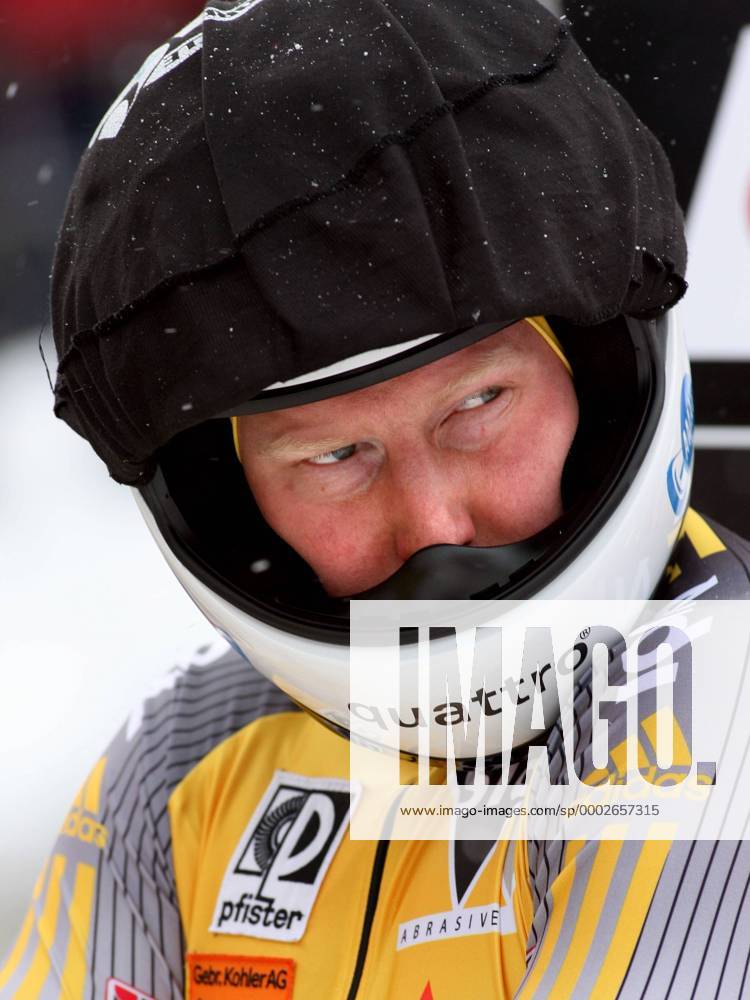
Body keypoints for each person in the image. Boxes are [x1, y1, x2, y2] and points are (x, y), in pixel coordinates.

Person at [3, 0, 750, 997]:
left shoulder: (722, 711)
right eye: (335, 456)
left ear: (600, 375)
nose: (434, 521)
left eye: (479, 404)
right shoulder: (183, 768)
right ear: (226, 496)